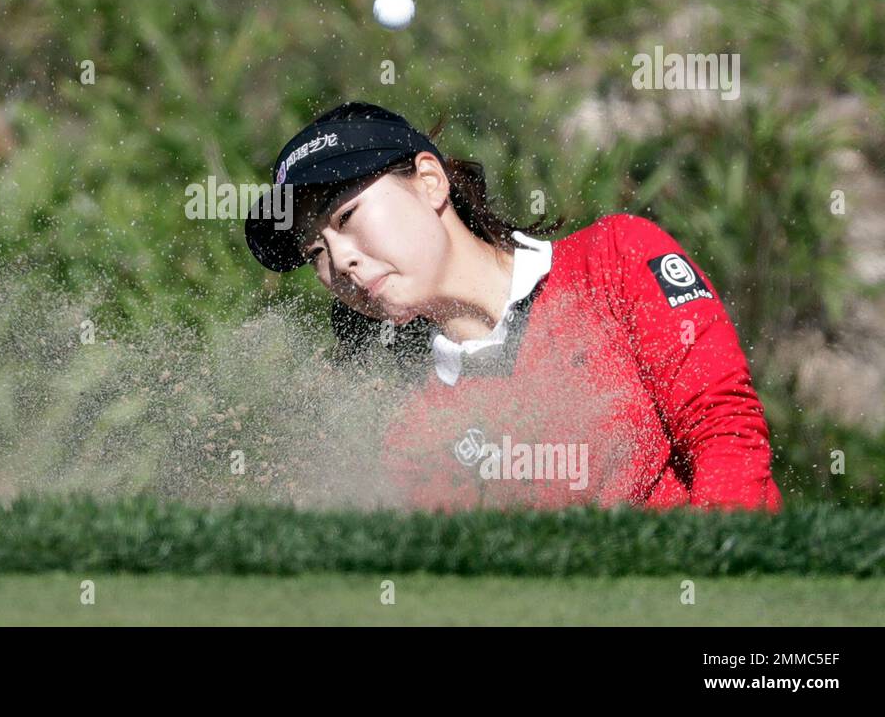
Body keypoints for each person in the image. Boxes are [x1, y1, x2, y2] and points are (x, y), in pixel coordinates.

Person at [244, 101, 782, 512]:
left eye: (346, 218)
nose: (340, 261)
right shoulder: (408, 430)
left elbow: (727, 433)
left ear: (429, 182)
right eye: (316, 251)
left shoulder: (615, 259)